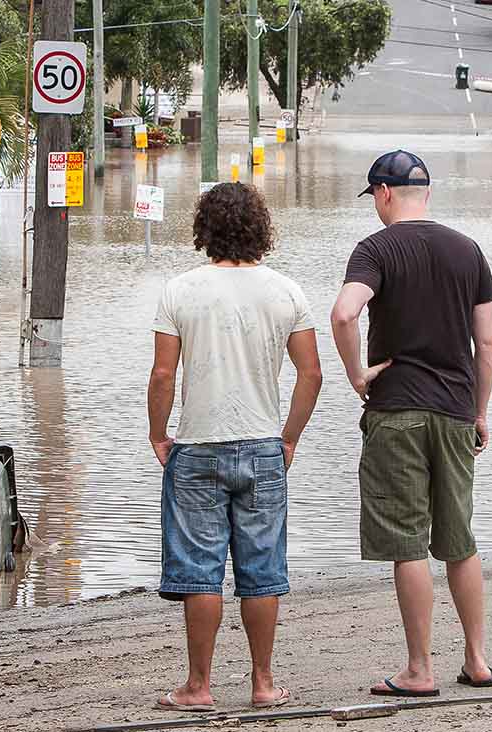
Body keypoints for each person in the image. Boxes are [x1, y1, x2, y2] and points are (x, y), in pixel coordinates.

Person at [330, 150, 492, 697]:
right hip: (455, 413)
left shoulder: (375, 249)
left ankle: (420, 669)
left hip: (397, 412)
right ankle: (477, 659)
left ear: (383, 193)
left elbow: (344, 312)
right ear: (426, 193)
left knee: (408, 543)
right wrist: (479, 410)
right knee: (459, 541)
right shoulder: (467, 250)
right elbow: (488, 342)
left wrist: (356, 374)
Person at [147, 182, 323, 712]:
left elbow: (162, 374)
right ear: (260, 229)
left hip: (197, 446)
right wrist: (288, 437)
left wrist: (158, 433)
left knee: (200, 570)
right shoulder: (286, 292)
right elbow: (311, 374)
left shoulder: (180, 290)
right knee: (261, 569)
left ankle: (198, 686)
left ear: (204, 229)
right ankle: (263, 684)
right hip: (264, 444)